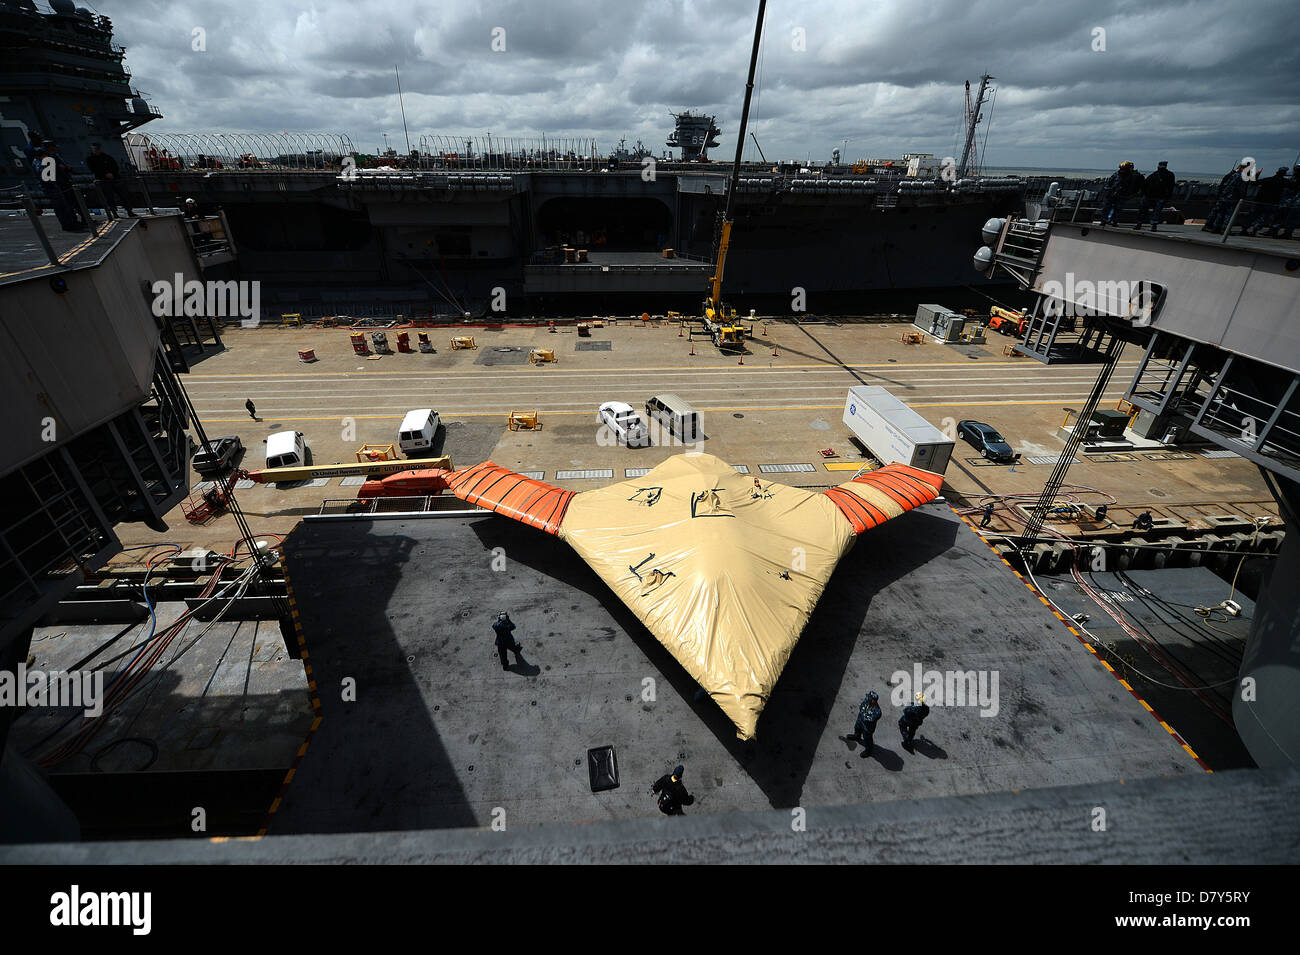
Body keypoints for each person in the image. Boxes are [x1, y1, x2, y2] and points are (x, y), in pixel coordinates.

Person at [86, 143, 135, 219]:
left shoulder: (107, 157)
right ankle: (114, 213)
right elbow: (93, 169)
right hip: (103, 180)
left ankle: (129, 211)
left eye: (97, 149)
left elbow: (115, 166)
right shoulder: (90, 159)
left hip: (114, 179)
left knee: (123, 196)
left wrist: (112, 174)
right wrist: (105, 174)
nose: (96, 150)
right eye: (95, 149)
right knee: (109, 198)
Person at [1204, 163, 1248, 233]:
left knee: (1220, 213)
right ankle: (1224, 229)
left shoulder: (1232, 175)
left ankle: (1215, 227)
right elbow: (1241, 189)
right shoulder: (1242, 176)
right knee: (1229, 214)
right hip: (1232, 198)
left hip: (1224, 197)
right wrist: (1242, 197)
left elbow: (1224, 185)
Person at [1135, 161, 1175, 231]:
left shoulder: (1154, 175)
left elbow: (1145, 184)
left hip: (1151, 195)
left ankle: (1139, 224)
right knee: (1156, 212)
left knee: (1143, 210)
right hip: (1159, 196)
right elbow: (1171, 187)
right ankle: (1153, 225)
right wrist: (1168, 197)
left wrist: (1142, 194)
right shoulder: (1169, 175)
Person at [852, 690, 883, 756]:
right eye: (869, 697)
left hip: (867, 728)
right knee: (857, 728)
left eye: (870, 698)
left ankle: (868, 750)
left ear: (873, 700)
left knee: (867, 739)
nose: (868, 698)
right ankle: (857, 736)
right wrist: (864, 714)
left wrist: (863, 714)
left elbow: (869, 719)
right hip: (860, 721)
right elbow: (861, 706)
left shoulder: (877, 711)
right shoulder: (867, 700)